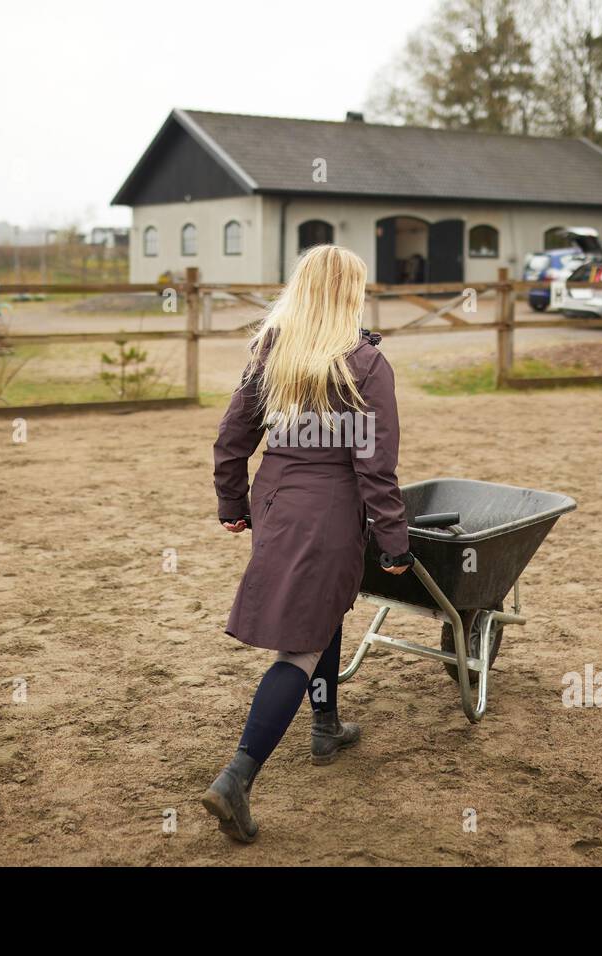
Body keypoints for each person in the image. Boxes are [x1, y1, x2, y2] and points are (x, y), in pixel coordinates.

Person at [203, 244, 412, 843]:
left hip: (275, 504)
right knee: (298, 643)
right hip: (326, 514)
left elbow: (232, 437)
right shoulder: (365, 363)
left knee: (320, 609)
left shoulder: (273, 351)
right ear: (350, 293)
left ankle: (326, 722)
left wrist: (231, 502)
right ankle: (237, 778)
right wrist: (394, 544)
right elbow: (376, 467)